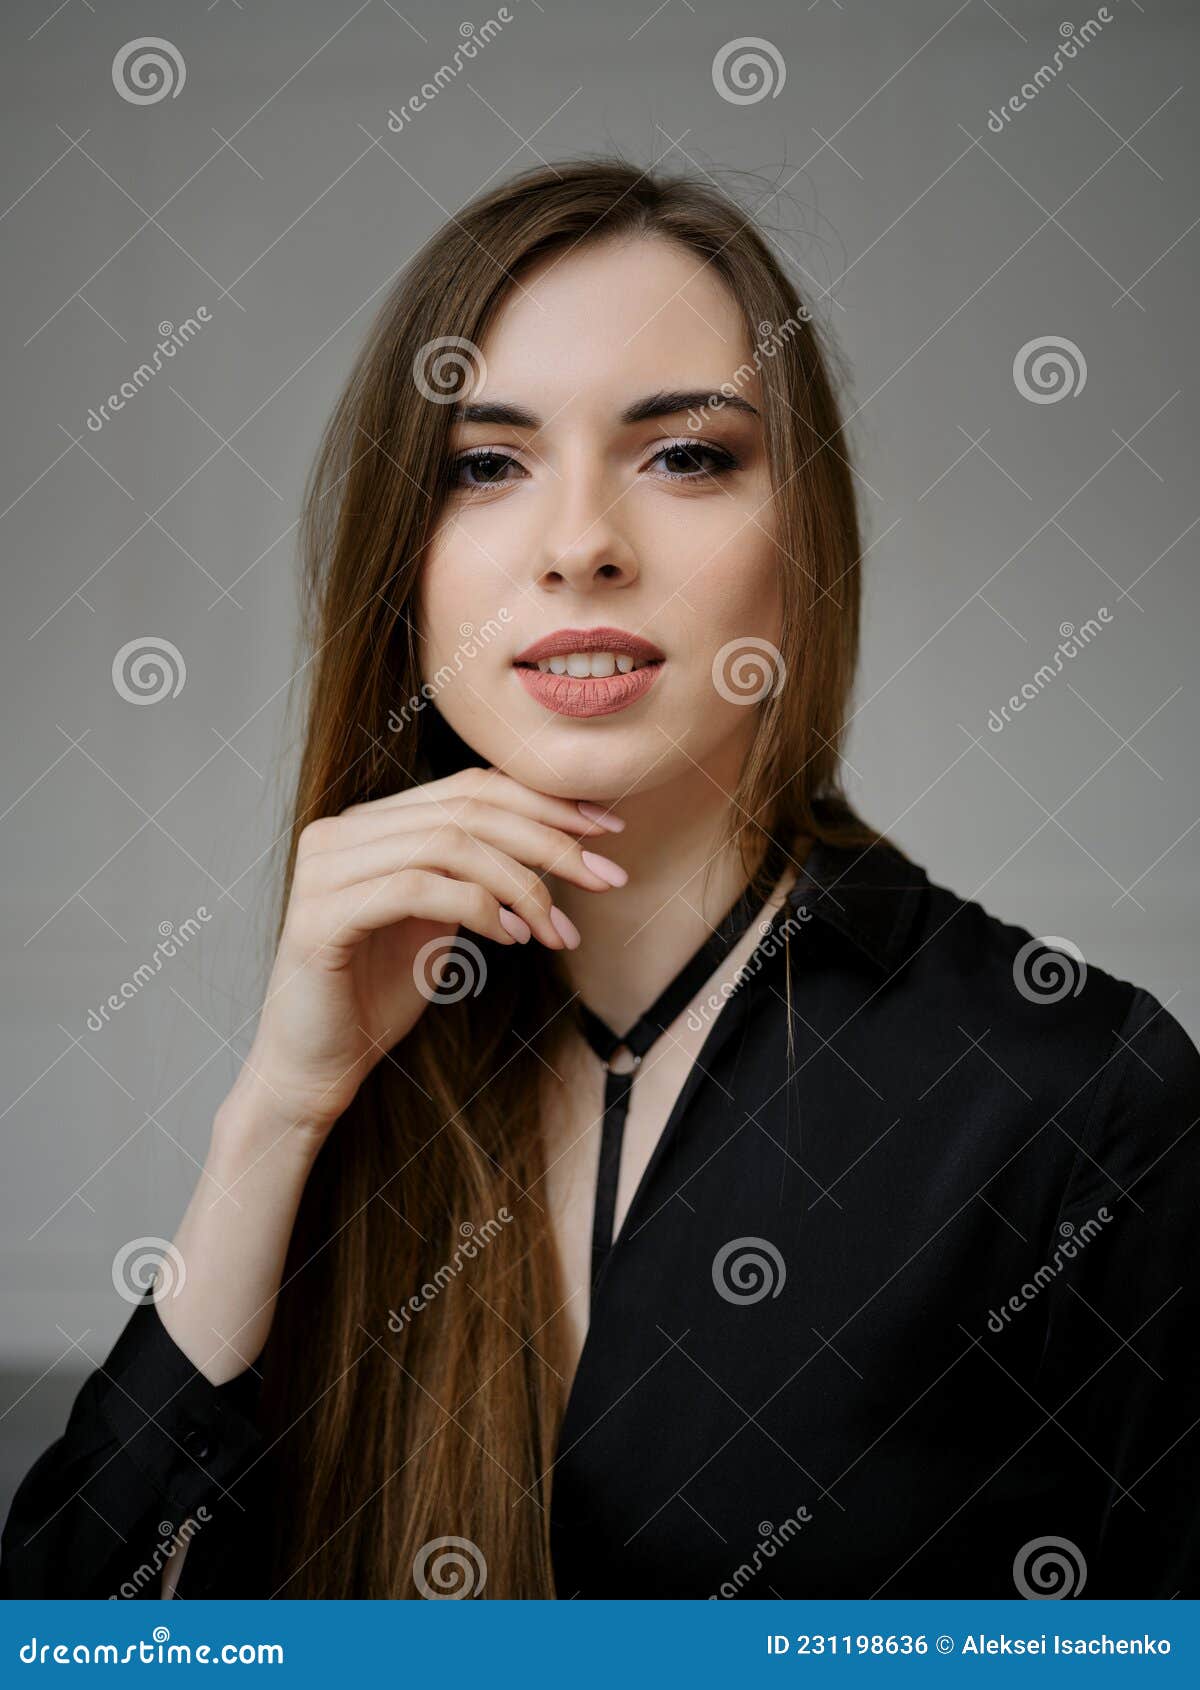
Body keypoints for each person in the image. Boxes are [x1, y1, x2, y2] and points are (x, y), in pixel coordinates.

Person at [3, 160, 1198, 1602]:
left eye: (686, 455)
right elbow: (79, 1633)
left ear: (802, 540)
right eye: (485, 463)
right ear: (407, 563)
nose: (580, 544)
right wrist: (274, 1113)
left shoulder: (1080, 1091)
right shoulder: (356, 1076)